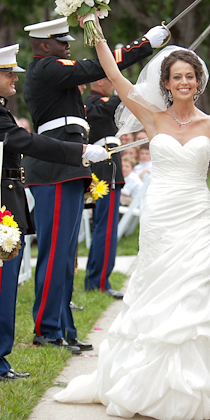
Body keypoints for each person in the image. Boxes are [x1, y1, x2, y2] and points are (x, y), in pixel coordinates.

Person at [54, 25, 210, 420]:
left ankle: (201, 382)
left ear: (199, 82)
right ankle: (144, 381)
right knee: (158, 290)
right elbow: (118, 80)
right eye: (177, 77)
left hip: (196, 215)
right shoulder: (152, 119)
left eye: (190, 76)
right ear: (167, 84)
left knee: (197, 290)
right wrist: (96, 32)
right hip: (161, 216)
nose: (184, 82)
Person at [22, 16, 168, 353]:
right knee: (56, 253)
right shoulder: (46, 68)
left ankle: (62, 326)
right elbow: (96, 66)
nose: (68, 46)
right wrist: (145, 44)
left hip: (69, 168)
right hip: (55, 168)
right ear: (45, 46)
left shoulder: (56, 72)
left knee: (67, 252)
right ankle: (47, 328)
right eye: (62, 42)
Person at [0, 44, 108, 379]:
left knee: (3, 286)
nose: (13, 78)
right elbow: (30, 143)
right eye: (7, 73)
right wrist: (80, 151)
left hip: (6, 200)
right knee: (0, 285)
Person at [84, 77, 124, 298]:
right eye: (109, 78)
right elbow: (118, 102)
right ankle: (97, 282)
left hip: (110, 173)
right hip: (104, 175)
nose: (112, 82)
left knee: (107, 229)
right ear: (98, 82)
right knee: (105, 229)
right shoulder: (94, 103)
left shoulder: (102, 102)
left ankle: (98, 279)